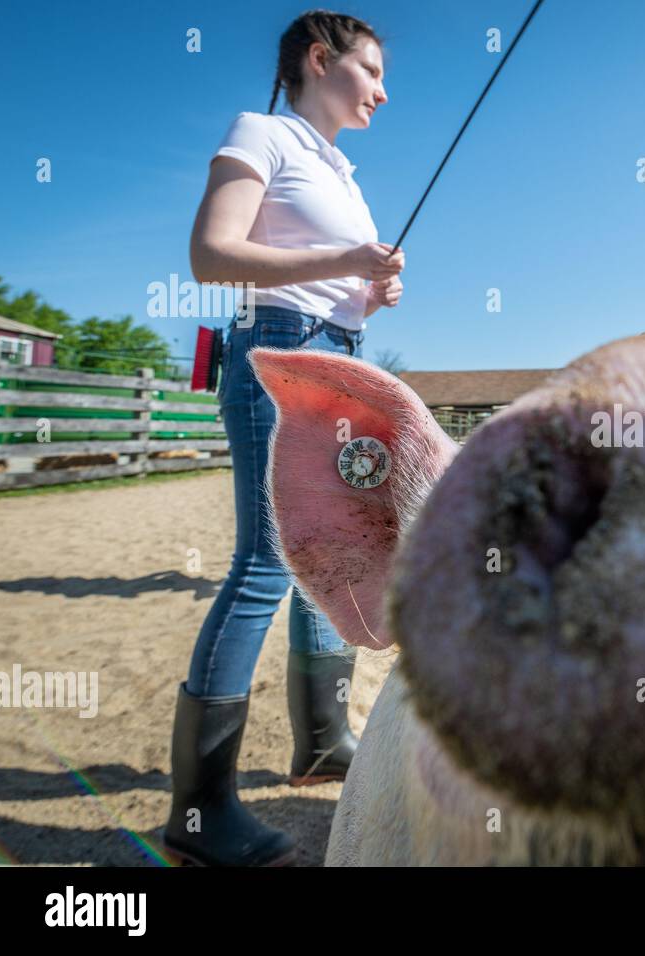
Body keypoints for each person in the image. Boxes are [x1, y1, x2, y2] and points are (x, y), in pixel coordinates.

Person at [163, 11, 404, 867]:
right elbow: (211, 255)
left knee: (331, 556)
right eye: (371, 71)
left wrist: (368, 293)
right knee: (266, 563)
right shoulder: (262, 132)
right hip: (276, 355)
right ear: (319, 59)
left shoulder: (344, 172)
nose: (383, 91)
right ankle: (198, 814)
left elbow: (330, 282)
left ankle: (323, 742)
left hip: (339, 357)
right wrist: (345, 260)